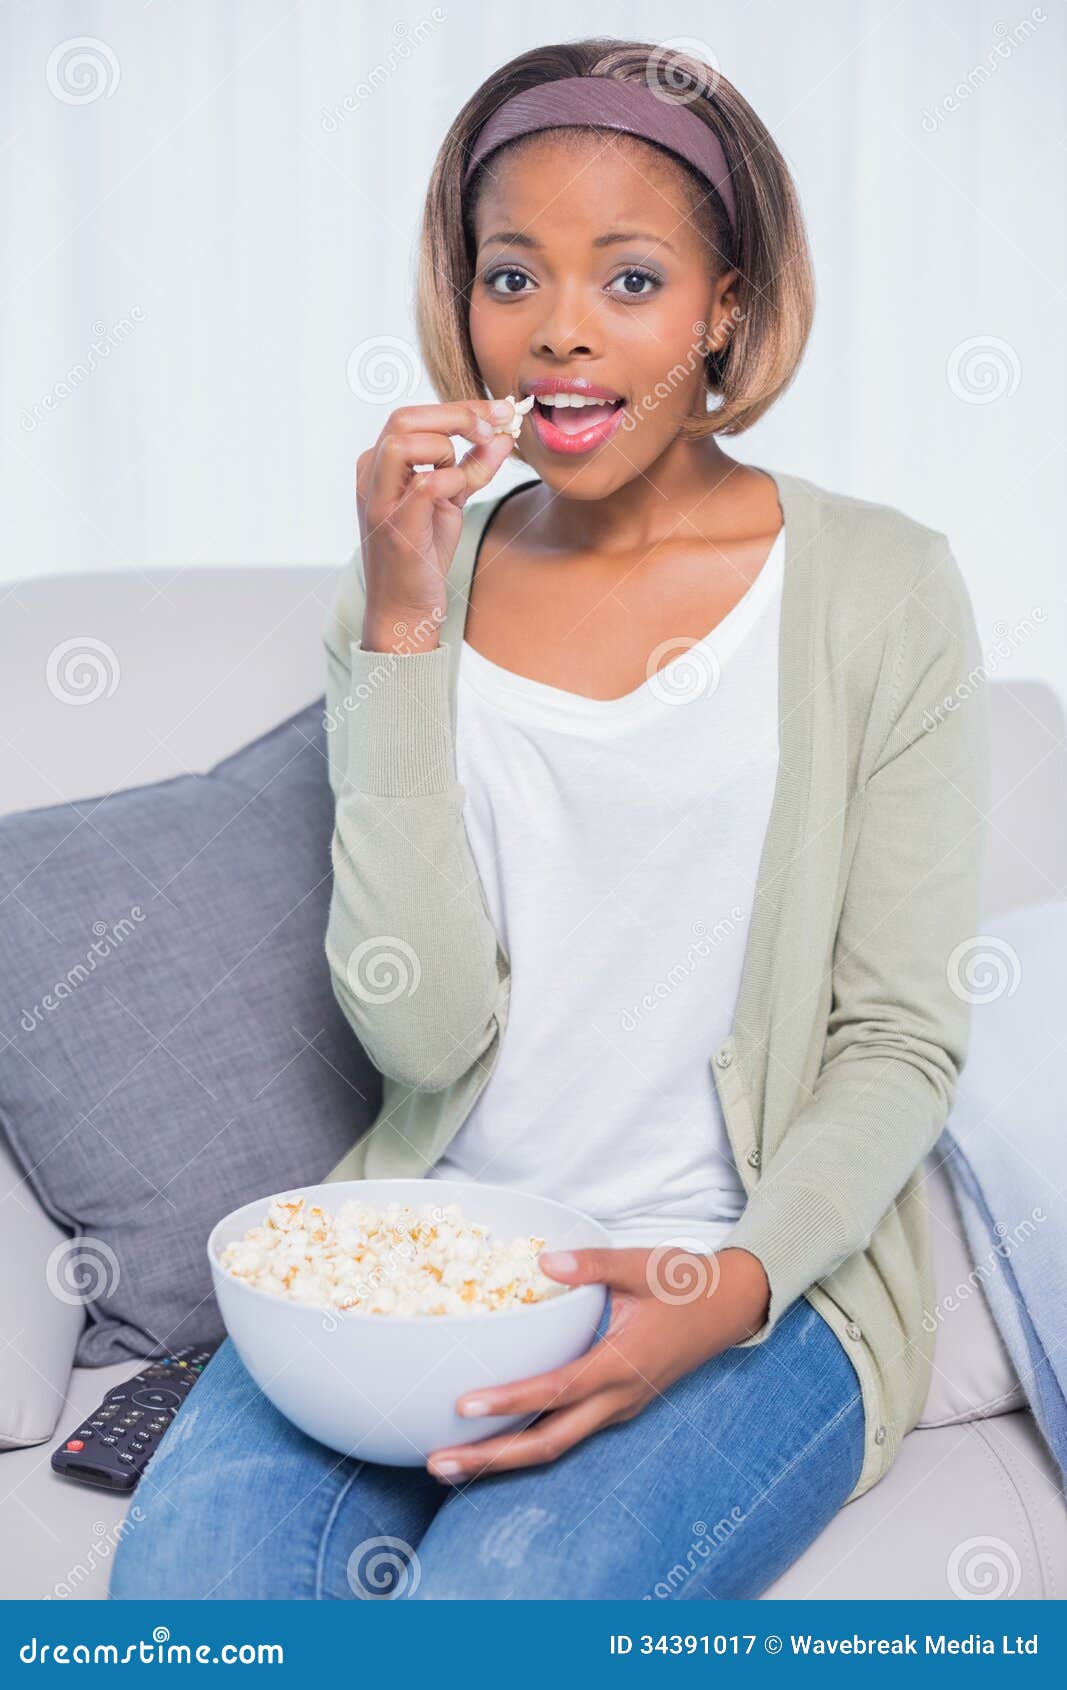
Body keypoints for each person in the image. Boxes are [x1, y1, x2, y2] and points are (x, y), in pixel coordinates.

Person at [109, 37, 987, 1602]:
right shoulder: (413, 584)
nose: (561, 335)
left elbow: (901, 1040)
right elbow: (426, 1037)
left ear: (726, 306)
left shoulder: (883, 585)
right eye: (513, 278)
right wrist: (394, 629)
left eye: (631, 282)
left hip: (745, 1274)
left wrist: (722, 1288)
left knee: (498, 1621)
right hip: (430, 1245)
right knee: (193, 1614)